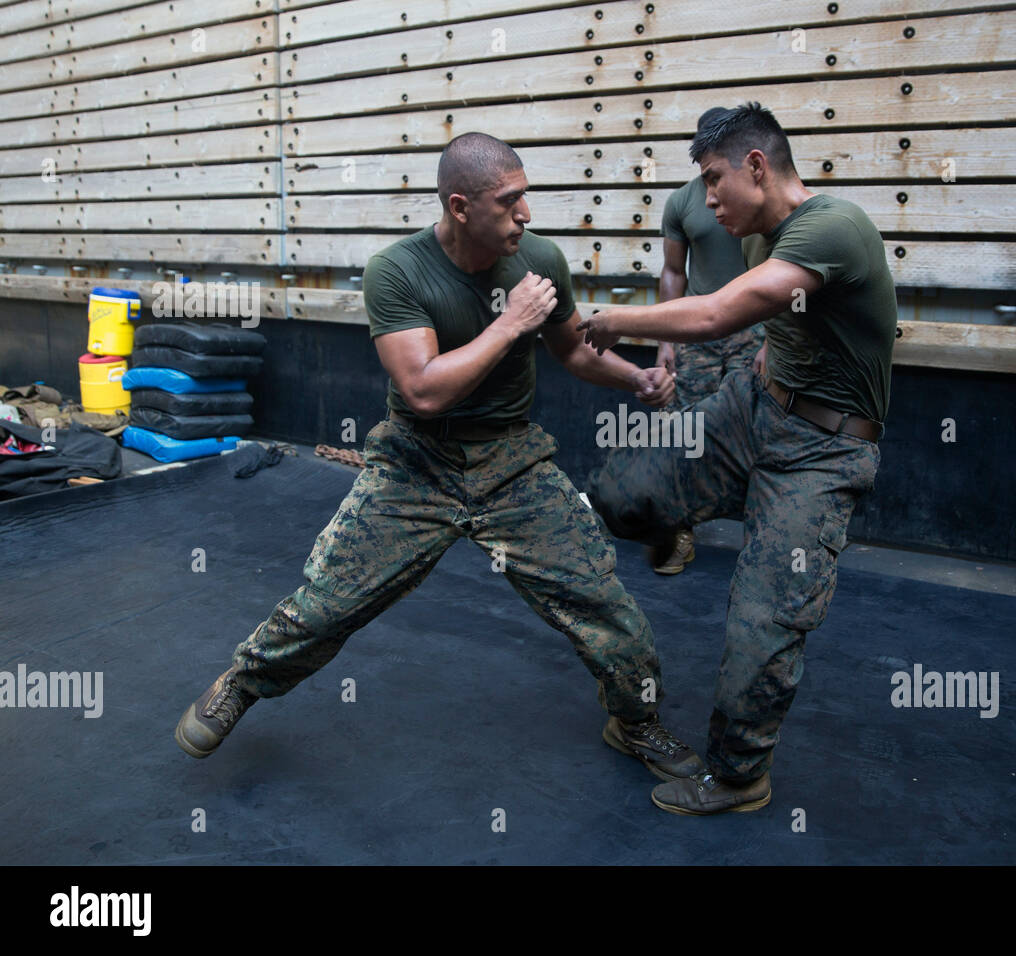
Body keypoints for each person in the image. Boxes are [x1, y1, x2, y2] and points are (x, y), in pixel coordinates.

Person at [175, 132, 707, 788]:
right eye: (509, 203)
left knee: (602, 603)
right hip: (414, 462)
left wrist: (635, 379)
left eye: (526, 198)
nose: (527, 215)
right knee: (329, 603)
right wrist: (510, 324)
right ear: (461, 207)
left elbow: (571, 350)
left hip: (511, 460)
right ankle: (244, 682)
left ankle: (635, 719)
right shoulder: (396, 270)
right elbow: (423, 390)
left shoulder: (538, 260)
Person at [578, 103, 897, 814]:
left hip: (822, 450)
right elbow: (777, 325)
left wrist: (607, 320)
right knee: (624, 488)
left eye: (716, 179)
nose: (709, 197)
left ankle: (738, 775)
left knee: (764, 621)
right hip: (752, 405)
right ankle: (674, 512)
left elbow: (717, 312)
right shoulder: (759, 233)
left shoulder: (833, 227)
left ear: (758, 166)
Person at [650, 107, 763, 575]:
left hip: (751, 329)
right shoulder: (681, 203)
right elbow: (674, 272)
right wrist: (664, 338)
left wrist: (771, 339)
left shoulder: (755, 200)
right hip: (696, 333)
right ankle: (680, 535)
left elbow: (777, 273)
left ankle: (762, 545)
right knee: (681, 431)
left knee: (755, 432)